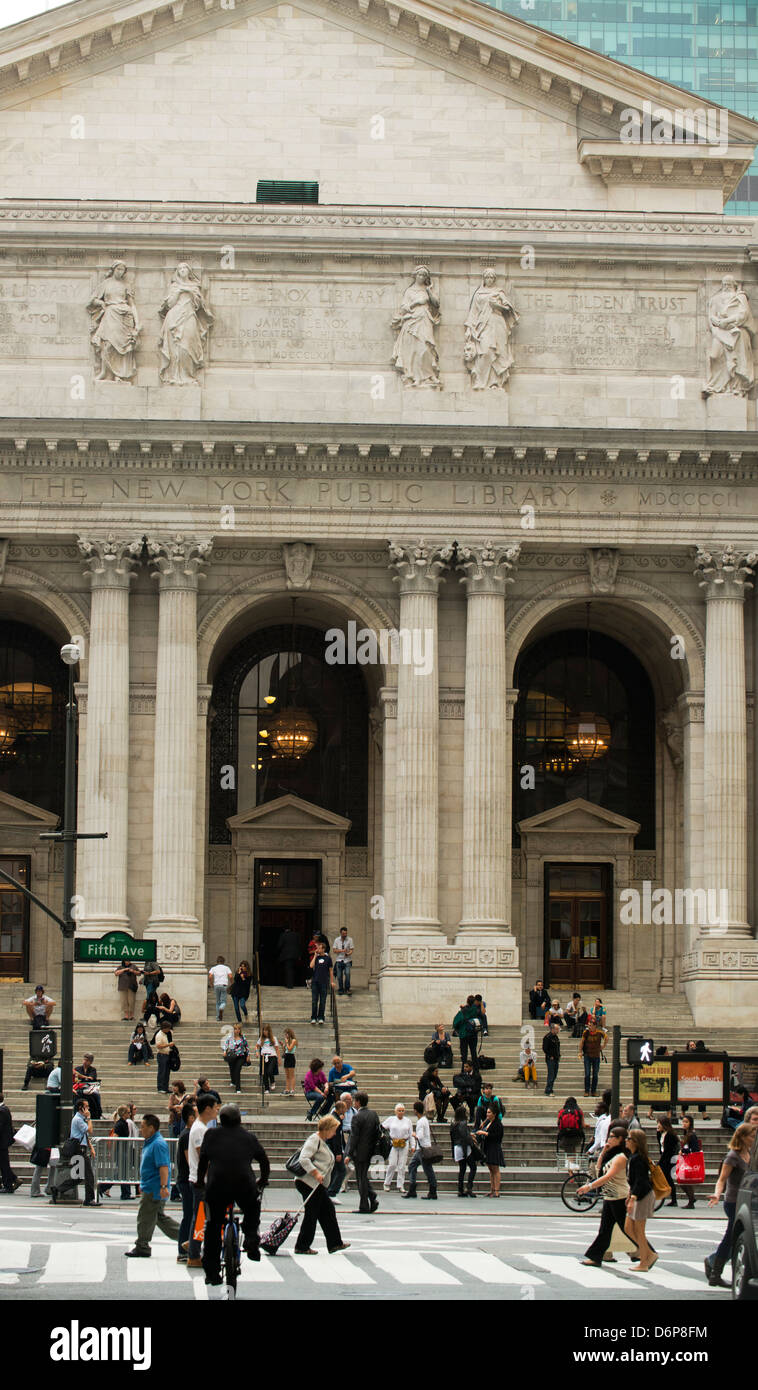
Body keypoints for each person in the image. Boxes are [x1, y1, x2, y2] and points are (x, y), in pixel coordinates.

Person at [198, 1104, 270, 1282]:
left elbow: (203, 1162)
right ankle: (252, 1238)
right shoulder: (248, 1137)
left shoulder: (211, 1135)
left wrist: (200, 1182)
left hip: (217, 1185)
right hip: (244, 1184)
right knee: (252, 1209)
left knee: (213, 1226)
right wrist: (263, 1179)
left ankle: (212, 1271)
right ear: (239, 1119)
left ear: (220, 1120)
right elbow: (264, 1160)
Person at [124, 1114, 182, 1258]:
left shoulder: (157, 1144)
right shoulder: (151, 1142)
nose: (141, 1130)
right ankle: (186, 1236)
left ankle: (142, 1245)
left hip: (154, 1188)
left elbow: (164, 1167)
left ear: (151, 1128)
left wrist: (163, 1187)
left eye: (143, 1127)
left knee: (145, 1217)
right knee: (158, 1217)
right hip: (151, 1186)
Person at [705, 1123, 754, 1287]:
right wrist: (717, 1194)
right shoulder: (733, 1156)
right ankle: (715, 1273)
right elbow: (722, 1179)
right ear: (742, 1137)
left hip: (747, 1201)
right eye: (752, 1136)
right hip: (733, 1201)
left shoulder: (750, 1154)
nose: (754, 1139)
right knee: (731, 1238)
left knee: (734, 1238)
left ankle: (714, 1269)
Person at [293, 1114, 350, 1255]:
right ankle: (302, 1245)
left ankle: (334, 1243)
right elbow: (304, 1158)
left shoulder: (322, 1141)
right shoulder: (314, 1140)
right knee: (312, 1213)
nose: (335, 1133)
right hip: (308, 1182)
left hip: (316, 1184)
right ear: (327, 1129)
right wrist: (316, 1173)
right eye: (334, 1130)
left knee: (327, 1210)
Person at [577, 1125, 631, 1265]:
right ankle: (596, 1257)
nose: (608, 1139)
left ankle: (647, 1253)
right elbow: (599, 1170)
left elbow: (607, 1177)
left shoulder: (621, 1157)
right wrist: (603, 1152)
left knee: (627, 1229)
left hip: (619, 1196)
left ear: (620, 1139)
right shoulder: (611, 1154)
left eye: (612, 1137)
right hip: (610, 1196)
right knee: (605, 1229)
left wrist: (589, 1186)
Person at [187, 1093, 220, 1267]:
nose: (217, 1110)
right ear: (207, 1108)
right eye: (215, 1107)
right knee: (200, 1218)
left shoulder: (201, 1127)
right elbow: (204, 1157)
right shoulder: (200, 1129)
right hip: (201, 1180)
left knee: (200, 1217)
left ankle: (193, 1245)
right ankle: (193, 1253)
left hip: (200, 1179)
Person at [624, 1128, 657, 1272]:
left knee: (639, 1231)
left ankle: (644, 1262)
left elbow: (640, 1181)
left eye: (628, 1138)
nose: (626, 1140)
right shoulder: (634, 1157)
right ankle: (649, 1254)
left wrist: (632, 1198)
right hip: (638, 1195)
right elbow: (634, 1181)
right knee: (628, 1228)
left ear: (635, 1142)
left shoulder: (638, 1158)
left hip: (642, 1196)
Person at [346, 1091, 381, 1214]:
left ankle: (364, 1205)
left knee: (360, 1178)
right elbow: (377, 1132)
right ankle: (371, 1197)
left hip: (359, 1152)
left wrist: (349, 1154)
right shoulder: (373, 1114)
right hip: (370, 1150)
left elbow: (354, 1137)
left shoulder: (357, 1117)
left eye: (355, 1100)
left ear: (358, 1102)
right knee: (363, 1176)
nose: (354, 1103)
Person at [175, 1101, 196, 1263]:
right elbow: (190, 1160)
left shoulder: (187, 1133)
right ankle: (183, 1250)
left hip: (186, 1179)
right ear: (190, 1118)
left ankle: (188, 1248)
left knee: (190, 1214)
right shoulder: (188, 1134)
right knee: (189, 1215)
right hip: (187, 1179)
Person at [382, 1102, 413, 1193]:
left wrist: (413, 1145)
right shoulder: (391, 1119)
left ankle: (400, 1185)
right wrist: (386, 1138)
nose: (401, 1112)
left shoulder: (408, 1121)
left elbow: (411, 1134)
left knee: (402, 1165)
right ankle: (387, 1183)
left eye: (402, 1111)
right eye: (399, 1110)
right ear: (395, 1111)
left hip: (404, 1143)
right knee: (392, 1164)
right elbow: (382, 1127)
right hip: (393, 1143)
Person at [70, 1098, 96, 1206]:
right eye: (87, 1106)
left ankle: (58, 1189)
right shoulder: (78, 1119)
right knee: (88, 1174)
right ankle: (89, 1199)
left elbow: (85, 1135)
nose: (88, 1108)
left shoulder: (80, 1119)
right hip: (79, 1148)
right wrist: (89, 1118)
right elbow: (89, 1130)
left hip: (82, 1147)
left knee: (79, 1176)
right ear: (81, 1108)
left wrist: (91, 1147)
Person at [476, 1103, 505, 1197]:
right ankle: (492, 1189)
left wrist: (485, 1133)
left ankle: (497, 1190)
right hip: (488, 1147)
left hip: (494, 1147)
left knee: (495, 1169)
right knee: (491, 1169)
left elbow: (497, 1136)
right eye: (487, 1112)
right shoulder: (488, 1123)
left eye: (489, 1112)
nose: (487, 1114)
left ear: (494, 1114)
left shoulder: (498, 1124)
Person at [450, 1105, 477, 1198]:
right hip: (463, 1147)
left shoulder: (453, 1123)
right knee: (473, 1167)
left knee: (462, 1169)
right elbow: (464, 1137)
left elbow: (452, 1139)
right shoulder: (463, 1123)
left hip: (457, 1147)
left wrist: (453, 1152)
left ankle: (460, 1189)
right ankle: (469, 1187)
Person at [680, 1040, 710, 1122]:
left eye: (694, 1045)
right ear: (688, 1047)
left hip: (698, 1078)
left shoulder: (699, 1054)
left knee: (701, 1096)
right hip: (688, 1078)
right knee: (686, 1097)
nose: (693, 1046)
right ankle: (682, 1113)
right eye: (691, 1045)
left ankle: (704, 1114)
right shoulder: (685, 1055)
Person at [677, 1113, 702, 1210]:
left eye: (686, 1122)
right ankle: (692, 1199)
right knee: (683, 1181)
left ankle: (691, 1200)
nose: (684, 1124)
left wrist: (683, 1151)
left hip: (690, 1160)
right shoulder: (687, 1134)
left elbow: (695, 1149)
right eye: (683, 1122)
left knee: (685, 1181)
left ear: (690, 1123)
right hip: (686, 1160)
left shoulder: (691, 1135)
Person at [326, 1099, 348, 1200]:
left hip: (330, 1147)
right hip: (335, 1149)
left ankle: (329, 1191)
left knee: (334, 1170)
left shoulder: (334, 1117)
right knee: (342, 1170)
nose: (346, 1109)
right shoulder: (337, 1120)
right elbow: (337, 1137)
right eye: (345, 1108)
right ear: (341, 1109)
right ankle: (332, 1192)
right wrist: (338, 1152)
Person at [579, 1017, 606, 1097]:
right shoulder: (586, 1032)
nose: (589, 1027)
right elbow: (582, 1042)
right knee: (587, 1074)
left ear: (595, 1026)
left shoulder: (599, 1032)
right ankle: (586, 1090)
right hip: (587, 1055)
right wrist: (580, 1052)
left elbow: (606, 1038)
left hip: (596, 1056)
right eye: (589, 1025)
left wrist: (603, 1046)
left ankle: (593, 1091)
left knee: (595, 1074)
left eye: (590, 1025)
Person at [657, 1116, 681, 1206]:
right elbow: (661, 1147)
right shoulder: (661, 1134)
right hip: (665, 1158)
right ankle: (670, 1197)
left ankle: (674, 1199)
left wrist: (661, 1161)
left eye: (659, 1123)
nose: (658, 1125)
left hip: (669, 1160)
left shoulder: (670, 1135)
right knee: (667, 1179)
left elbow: (668, 1151)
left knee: (668, 1178)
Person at [0, 1093, 21, 1194]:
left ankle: (8, 1185)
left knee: (4, 1164)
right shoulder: (4, 1109)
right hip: (3, 1142)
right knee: (3, 1164)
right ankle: (14, 1179)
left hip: (2, 1143)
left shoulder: (2, 1110)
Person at [557, 1096, 585, 1168]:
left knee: (569, 1150)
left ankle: (570, 1168)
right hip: (577, 1134)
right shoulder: (579, 1111)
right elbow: (583, 1124)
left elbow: (558, 1123)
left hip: (565, 1134)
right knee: (572, 1149)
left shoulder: (561, 1111)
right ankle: (571, 1168)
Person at [310, 940, 333, 1025]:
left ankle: (321, 1017)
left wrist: (332, 982)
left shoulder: (328, 959)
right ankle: (313, 1017)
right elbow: (311, 966)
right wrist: (315, 956)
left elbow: (330, 970)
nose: (318, 950)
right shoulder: (316, 958)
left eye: (319, 948)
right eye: (317, 948)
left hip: (324, 982)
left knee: (322, 1001)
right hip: (315, 982)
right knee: (314, 1000)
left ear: (323, 949)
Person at [452, 996, 480, 1067]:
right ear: (474, 1002)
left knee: (464, 1054)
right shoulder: (475, 1010)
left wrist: (457, 1029)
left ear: (467, 1001)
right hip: (473, 1034)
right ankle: (475, 1069)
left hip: (464, 1034)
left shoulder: (463, 1010)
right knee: (473, 1052)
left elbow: (455, 1022)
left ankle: (464, 1070)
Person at [74, 1053, 102, 1120]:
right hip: (79, 1088)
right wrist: (85, 1077)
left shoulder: (93, 1070)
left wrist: (81, 1076)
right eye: (84, 1060)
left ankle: (99, 1113)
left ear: (90, 1062)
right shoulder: (77, 1068)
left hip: (89, 1088)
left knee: (96, 1095)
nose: (84, 1062)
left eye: (87, 1060)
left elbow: (91, 1078)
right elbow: (76, 1079)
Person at [226, 1022, 251, 1094]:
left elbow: (247, 1047)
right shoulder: (230, 1037)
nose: (237, 1030)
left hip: (241, 1056)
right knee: (232, 1069)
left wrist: (248, 1055)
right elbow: (226, 1045)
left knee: (237, 1070)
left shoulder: (243, 1038)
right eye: (235, 1029)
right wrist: (225, 1051)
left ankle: (238, 1088)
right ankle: (233, 1081)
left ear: (240, 1030)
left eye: (238, 1029)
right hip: (232, 1056)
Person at [588, 1091, 613, 1160]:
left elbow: (600, 1140)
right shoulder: (604, 1118)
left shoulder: (604, 1120)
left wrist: (590, 1150)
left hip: (602, 1148)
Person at [208, 956, 232, 1021]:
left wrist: (211, 983)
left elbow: (210, 976)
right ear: (223, 961)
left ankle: (218, 1017)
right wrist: (231, 983)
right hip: (224, 985)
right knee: (223, 1001)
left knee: (218, 1002)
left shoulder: (213, 968)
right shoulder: (227, 968)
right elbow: (230, 976)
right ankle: (221, 1008)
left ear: (217, 961)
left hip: (216, 985)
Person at [332, 927, 354, 996]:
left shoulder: (350, 939)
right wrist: (342, 951)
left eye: (346, 933)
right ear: (341, 933)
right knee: (339, 976)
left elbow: (351, 949)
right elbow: (334, 950)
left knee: (347, 974)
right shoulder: (336, 940)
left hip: (347, 960)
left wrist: (348, 953)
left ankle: (347, 989)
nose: (345, 934)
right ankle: (341, 989)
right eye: (343, 933)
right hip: (339, 960)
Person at [278, 924, 301, 989]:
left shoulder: (283, 935)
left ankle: (289, 985)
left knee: (288, 970)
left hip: (286, 955)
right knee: (293, 969)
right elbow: (299, 945)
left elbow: (279, 945)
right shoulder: (296, 934)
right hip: (295, 955)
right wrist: (299, 955)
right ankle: (294, 983)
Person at [543, 1022, 561, 1096]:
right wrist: (550, 1055)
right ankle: (549, 1090)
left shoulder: (556, 1037)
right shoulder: (547, 1037)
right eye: (557, 1029)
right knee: (551, 1074)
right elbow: (545, 1048)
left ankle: (550, 1087)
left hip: (556, 1058)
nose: (558, 1030)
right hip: (550, 1059)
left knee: (554, 1074)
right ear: (552, 1029)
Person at [282, 1028, 298, 1096]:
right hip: (286, 1057)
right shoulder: (287, 1041)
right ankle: (287, 1089)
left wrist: (286, 1043)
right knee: (287, 1075)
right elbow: (285, 1050)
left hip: (291, 1057)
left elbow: (290, 1048)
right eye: (285, 1034)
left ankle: (292, 1089)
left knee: (292, 1075)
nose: (286, 1035)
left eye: (286, 1034)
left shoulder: (293, 1040)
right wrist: (283, 1045)